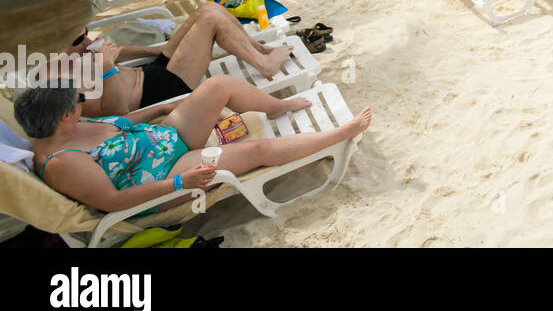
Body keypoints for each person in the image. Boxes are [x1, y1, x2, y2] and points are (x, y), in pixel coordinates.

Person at [17, 78, 372, 214]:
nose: (82, 103)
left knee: (218, 86)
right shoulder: (62, 162)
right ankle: (339, 136)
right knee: (255, 153)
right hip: (162, 178)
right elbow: (112, 201)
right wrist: (179, 183)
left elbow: (122, 124)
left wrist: (159, 108)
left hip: (163, 139)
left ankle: (277, 105)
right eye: (76, 103)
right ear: (64, 117)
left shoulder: (65, 126)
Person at [64, 3, 297, 116]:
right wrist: (106, 69)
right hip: (161, 89)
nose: (87, 41)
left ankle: (257, 48)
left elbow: (119, 51)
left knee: (209, 8)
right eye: (79, 40)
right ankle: (265, 65)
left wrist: (160, 50)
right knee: (212, 21)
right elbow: (117, 115)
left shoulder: (75, 56)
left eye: (85, 33)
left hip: (152, 70)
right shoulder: (66, 86)